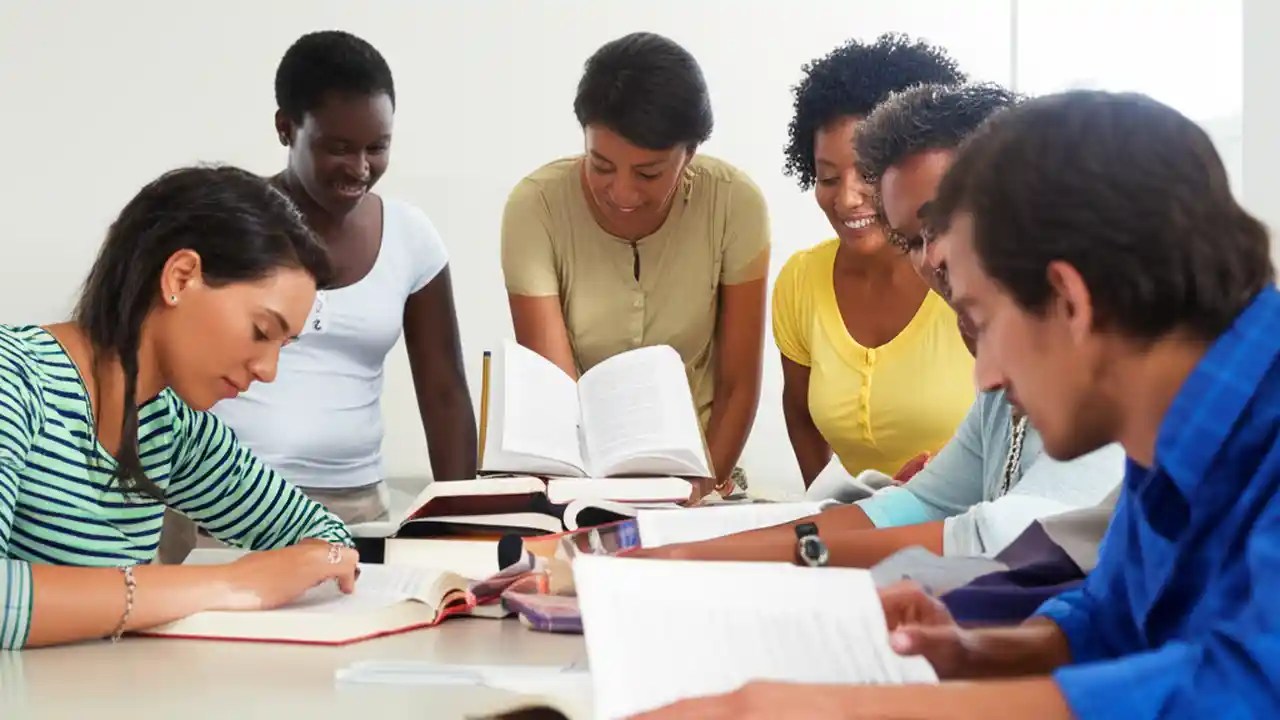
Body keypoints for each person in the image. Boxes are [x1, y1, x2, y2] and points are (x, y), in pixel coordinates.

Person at [638, 91, 1280, 719]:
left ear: (1070, 301)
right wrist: (977, 651)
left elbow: (1246, 692)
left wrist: (840, 707)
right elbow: (1110, 614)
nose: (987, 377)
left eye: (983, 319)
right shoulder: (1172, 421)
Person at [635, 83, 1121, 567]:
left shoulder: (1102, 364)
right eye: (912, 239)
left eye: (942, 225)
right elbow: (914, 506)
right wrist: (686, 553)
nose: (931, 258)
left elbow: (1002, 539)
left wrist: (703, 557)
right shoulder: (1002, 385)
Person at [0, 165, 359, 651]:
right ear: (181, 276)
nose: (268, 370)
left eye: (284, 345)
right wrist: (233, 584)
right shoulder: (14, 379)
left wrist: (315, 559)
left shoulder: (175, 427)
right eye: (261, 331)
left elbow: (323, 535)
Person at [211, 30, 476, 526]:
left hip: (358, 507)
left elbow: (444, 393)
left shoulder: (410, 237)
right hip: (225, 500)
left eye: (377, 147)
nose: (360, 168)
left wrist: (460, 521)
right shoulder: (228, 225)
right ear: (286, 127)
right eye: (338, 148)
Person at [500, 32, 769, 498]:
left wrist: (697, 495)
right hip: (582, 482)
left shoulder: (734, 204)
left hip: (707, 475)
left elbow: (738, 387)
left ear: (690, 154)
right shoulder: (536, 208)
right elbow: (560, 402)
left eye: (648, 173)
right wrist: (591, 504)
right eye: (600, 165)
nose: (622, 193)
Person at [772, 34, 973, 487]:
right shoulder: (801, 282)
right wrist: (826, 507)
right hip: (863, 530)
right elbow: (800, 414)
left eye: (867, 173)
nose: (845, 199)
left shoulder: (970, 278)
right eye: (826, 176)